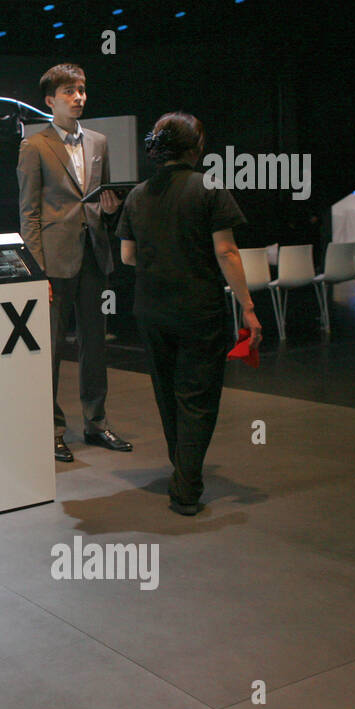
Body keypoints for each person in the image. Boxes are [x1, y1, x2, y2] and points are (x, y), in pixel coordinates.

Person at [117, 112, 258, 515]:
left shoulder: (138, 195)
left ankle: (182, 470)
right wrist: (248, 307)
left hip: (151, 309)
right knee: (196, 397)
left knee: (167, 393)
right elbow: (227, 251)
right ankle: (186, 486)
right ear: (196, 148)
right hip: (199, 308)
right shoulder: (208, 187)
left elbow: (128, 256)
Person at [18, 62, 130, 462]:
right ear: (51, 100)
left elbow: (103, 198)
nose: (78, 97)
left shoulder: (98, 142)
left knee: (94, 345)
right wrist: (36, 270)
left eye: (81, 90)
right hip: (53, 260)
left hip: (93, 254)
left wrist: (111, 208)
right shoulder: (34, 145)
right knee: (48, 350)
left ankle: (96, 423)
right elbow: (28, 212)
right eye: (69, 91)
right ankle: (50, 429)